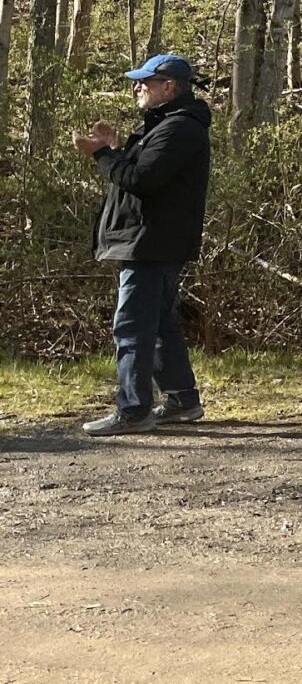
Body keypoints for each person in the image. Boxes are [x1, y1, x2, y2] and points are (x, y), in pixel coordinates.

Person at [72, 54, 213, 436]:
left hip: (150, 244)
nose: (138, 87)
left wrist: (101, 154)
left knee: (132, 325)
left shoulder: (178, 129)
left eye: (145, 82)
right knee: (163, 324)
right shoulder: (166, 126)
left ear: (169, 87)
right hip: (151, 241)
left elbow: (140, 180)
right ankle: (183, 400)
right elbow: (137, 175)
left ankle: (134, 410)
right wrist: (113, 151)